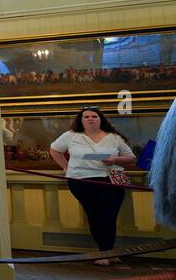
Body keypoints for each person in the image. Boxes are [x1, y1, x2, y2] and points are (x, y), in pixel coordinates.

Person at [49, 107, 136, 265]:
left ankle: (106, 251)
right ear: (81, 120)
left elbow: (131, 157)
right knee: (94, 215)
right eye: (86, 116)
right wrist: (65, 167)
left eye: (94, 116)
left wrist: (114, 160)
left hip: (111, 180)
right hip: (82, 181)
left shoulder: (114, 137)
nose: (90, 119)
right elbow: (54, 150)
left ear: (100, 119)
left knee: (108, 215)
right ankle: (106, 251)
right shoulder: (71, 136)